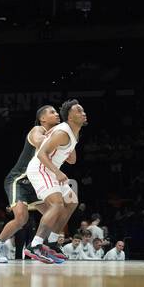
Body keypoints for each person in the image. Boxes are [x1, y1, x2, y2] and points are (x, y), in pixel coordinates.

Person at [0, 105, 60, 262]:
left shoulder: (55, 134)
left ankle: (39, 246)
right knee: (22, 218)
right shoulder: (37, 130)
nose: (56, 114)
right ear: (42, 118)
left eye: (56, 112)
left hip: (35, 183)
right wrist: (59, 139)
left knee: (54, 213)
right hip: (18, 179)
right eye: (52, 112)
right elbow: (38, 141)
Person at [24, 100, 88, 264]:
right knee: (57, 205)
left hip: (51, 170)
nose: (83, 113)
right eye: (79, 111)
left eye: (83, 110)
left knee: (72, 201)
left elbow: (72, 160)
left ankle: (52, 241)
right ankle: (35, 245)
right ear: (70, 117)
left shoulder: (74, 132)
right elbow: (41, 154)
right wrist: (57, 171)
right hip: (41, 169)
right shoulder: (62, 132)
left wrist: (69, 150)